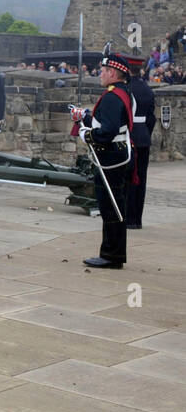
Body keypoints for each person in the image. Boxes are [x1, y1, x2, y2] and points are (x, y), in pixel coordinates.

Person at [70, 53, 136, 268]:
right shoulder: (124, 93)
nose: (100, 74)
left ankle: (112, 255)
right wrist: (85, 116)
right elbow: (106, 122)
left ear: (112, 73)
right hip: (120, 152)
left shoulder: (111, 97)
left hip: (110, 158)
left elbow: (106, 132)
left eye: (103, 71)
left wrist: (85, 134)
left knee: (111, 207)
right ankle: (113, 253)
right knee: (115, 205)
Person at [124, 54, 154, 231]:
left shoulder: (126, 89)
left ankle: (127, 217)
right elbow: (151, 119)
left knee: (127, 178)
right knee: (141, 179)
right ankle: (136, 219)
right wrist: (145, 133)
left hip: (129, 136)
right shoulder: (147, 89)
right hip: (143, 137)